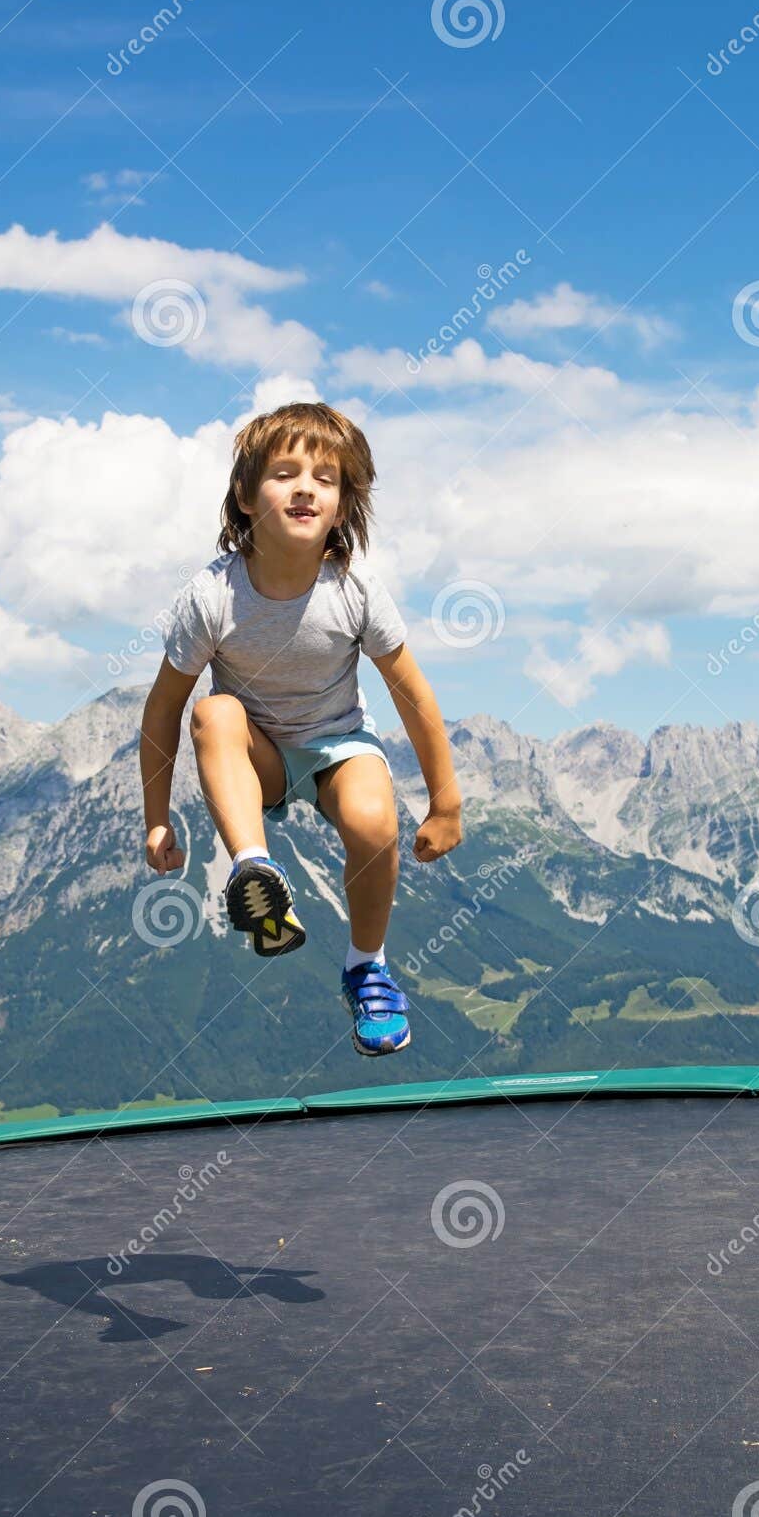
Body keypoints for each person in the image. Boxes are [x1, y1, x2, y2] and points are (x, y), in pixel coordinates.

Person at [140, 400, 462, 1056]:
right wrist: (156, 817)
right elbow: (163, 709)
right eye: (284, 472)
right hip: (253, 756)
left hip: (338, 747)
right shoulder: (211, 597)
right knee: (213, 710)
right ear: (244, 494)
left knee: (376, 823)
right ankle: (254, 874)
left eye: (325, 477)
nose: (305, 487)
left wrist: (445, 801)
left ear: (343, 506)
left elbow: (413, 695)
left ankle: (365, 966)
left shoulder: (354, 590)